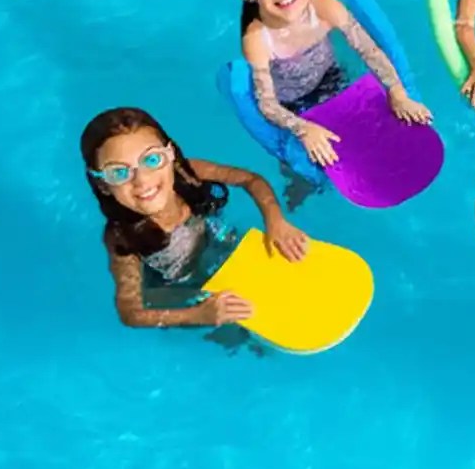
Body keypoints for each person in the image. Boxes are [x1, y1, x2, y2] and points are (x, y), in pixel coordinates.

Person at [80, 107, 308, 328]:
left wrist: (275, 220)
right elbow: (131, 312)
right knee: (234, 338)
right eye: (118, 172)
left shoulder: (189, 173)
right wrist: (198, 314)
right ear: (103, 185)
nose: (142, 180)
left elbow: (250, 180)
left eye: (151, 160)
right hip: (186, 287)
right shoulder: (122, 237)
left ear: (170, 155)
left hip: (221, 247)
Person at [229, 0, 432, 171]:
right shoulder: (258, 39)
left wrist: (397, 93)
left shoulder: (325, 8)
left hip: (333, 78)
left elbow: (369, 51)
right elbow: (267, 103)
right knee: (303, 166)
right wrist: (302, 129)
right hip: (293, 106)